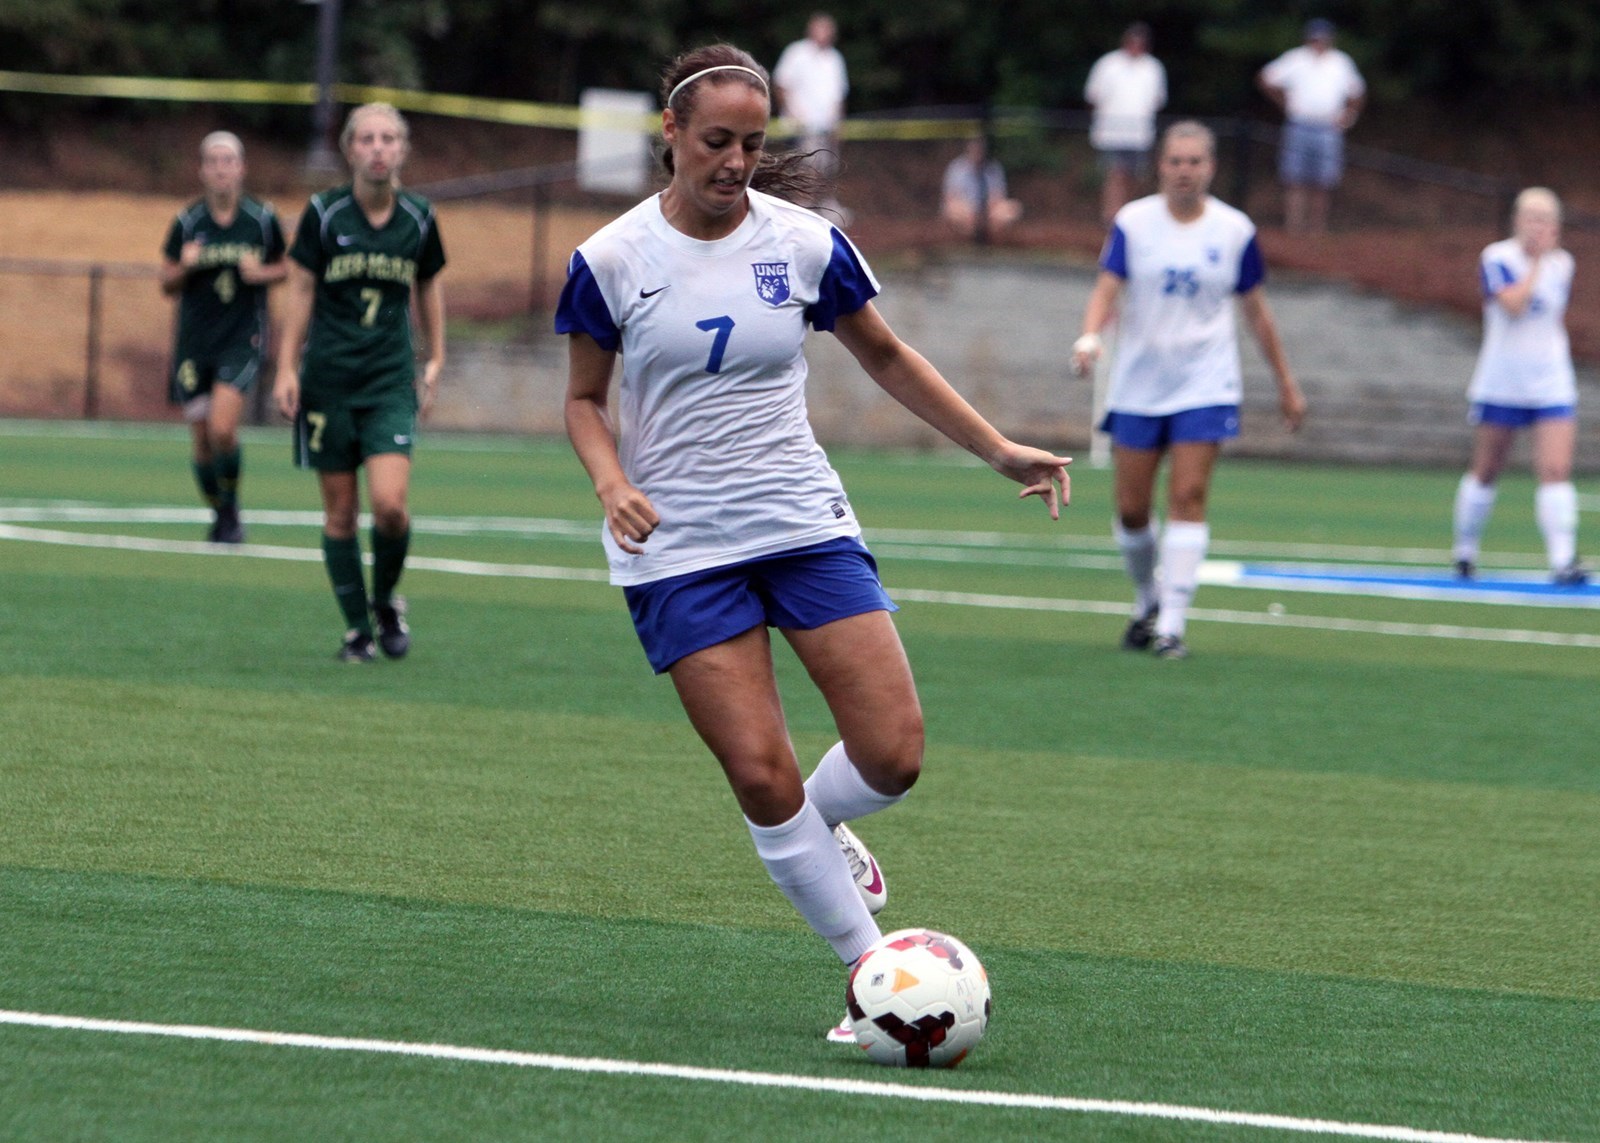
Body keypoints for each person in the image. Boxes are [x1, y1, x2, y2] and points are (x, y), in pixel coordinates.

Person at [556, 43, 1069, 1042]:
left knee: (894, 753)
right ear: (670, 135)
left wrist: (996, 448)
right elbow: (581, 400)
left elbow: (884, 353)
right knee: (760, 774)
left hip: (799, 524)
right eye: (716, 141)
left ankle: (823, 827)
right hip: (680, 547)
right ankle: (869, 974)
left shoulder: (802, 243)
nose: (736, 161)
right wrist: (611, 480)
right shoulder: (611, 260)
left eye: (751, 142)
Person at [1072, 120, 1305, 659]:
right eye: (1175, 161)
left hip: (1206, 382)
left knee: (1188, 496)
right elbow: (1107, 289)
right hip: (1138, 382)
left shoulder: (1234, 230)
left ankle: (1173, 623)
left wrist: (1286, 385)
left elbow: (1258, 313)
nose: (1184, 171)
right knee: (1132, 510)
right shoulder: (1133, 223)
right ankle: (1147, 599)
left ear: (1211, 167)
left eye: (1194, 162)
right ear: (1161, 166)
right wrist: (1089, 337)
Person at [272, 103, 447, 662]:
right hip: (328, 381)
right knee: (341, 513)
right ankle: (356, 630)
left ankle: (386, 599)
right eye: (367, 138)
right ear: (349, 150)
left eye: (388, 138)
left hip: (390, 381)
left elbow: (429, 287)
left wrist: (436, 358)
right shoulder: (324, 215)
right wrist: (285, 366)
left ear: (403, 149)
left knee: (391, 506)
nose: (378, 148)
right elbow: (299, 290)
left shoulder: (419, 218)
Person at [1453, 187, 1587, 586]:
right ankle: (1465, 550)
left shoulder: (1564, 263)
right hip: (1502, 381)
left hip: (1550, 381)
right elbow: (1512, 305)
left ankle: (1563, 559)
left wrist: (1545, 261)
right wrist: (1535, 265)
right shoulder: (1497, 258)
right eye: (1530, 218)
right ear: (1516, 220)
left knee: (1556, 468)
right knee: (1487, 469)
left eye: (1545, 220)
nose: (1537, 227)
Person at [160, 131, 287, 543]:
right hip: (195, 343)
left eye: (228, 160)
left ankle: (230, 510)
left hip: (242, 338)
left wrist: (262, 274)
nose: (221, 168)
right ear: (201, 170)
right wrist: (185, 267)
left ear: (242, 168)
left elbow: (291, 268)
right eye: (213, 161)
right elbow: (166, 282)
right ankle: (222, 513)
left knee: (222, 429)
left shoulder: (263, 220)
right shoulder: (188, 222)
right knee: (201, 443)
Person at [1257, 18, 1365, 234]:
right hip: (1299, 125)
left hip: (1328, 128)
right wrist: (1284, 102)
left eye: (1323, 38)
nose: (1319, 42)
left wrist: (1348, 115)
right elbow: (1266, 78)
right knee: (1294, 178)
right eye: (1315, 38)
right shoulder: (1296, 59)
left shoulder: (1340, 62)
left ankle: (1317, 230)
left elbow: (1357, 92)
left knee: (1323, 181)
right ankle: (1294, 228)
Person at [1084, 22, 1168, 226]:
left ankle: (1131, 216)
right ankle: (1111, 217)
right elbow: (1092, 96)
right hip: (1111, 132)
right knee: (1114, 174)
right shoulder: (1108, 64)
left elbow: (1158, 100)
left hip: (1139, 135)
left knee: (1136, 177)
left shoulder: (1153, 67)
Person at [773, 12, 848, 172]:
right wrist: (792, 113)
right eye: (820, 29)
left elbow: (839, 95)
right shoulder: (796, 53)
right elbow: (781, 84)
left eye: (827, 30)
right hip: (800, 127)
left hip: (825, 128)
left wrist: (838, 124)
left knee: (826, 169)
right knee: (804, 171)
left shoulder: (835, 58)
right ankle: (799, 198)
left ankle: (823, 198)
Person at [941, 135, 1023, 241]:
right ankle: (968, 239)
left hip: (989, 212)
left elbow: (998, 196)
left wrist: (987, 212)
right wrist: (971, 212)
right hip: (965, 210)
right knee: (952, 210)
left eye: (980, 149)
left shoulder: (993, 168)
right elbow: (951, 197)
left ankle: (990, 239)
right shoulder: (956, 168)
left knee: (1013, 208)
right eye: (975, 148)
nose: (978, 152)